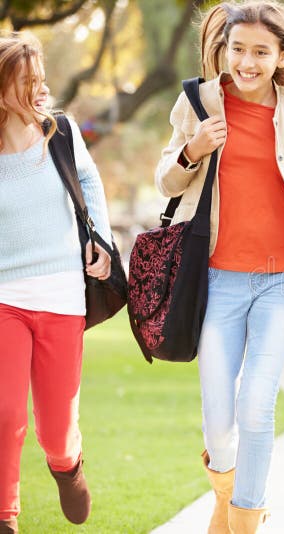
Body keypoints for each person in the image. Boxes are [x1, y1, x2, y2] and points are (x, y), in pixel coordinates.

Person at [154, 2, 284, 532]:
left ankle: (244, 519)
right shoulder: (197, 102)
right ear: (223, 49)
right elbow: (166, 182)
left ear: (281, 56)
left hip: (283, 278)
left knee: (256, 407)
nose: (246, 61)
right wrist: (191, 152)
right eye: (237, 49)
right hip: (218, 277)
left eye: (260, 52)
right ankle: (227, 495)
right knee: (218, 420)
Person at [0, 32, 113, 533]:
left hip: (61, 295)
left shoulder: (61, 132)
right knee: (5, 416)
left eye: (40, 80)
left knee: (55, 430)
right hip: (3, 296)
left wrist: (103, 242)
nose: (38, 92)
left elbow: (90, 183)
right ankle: (5, 516)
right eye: (26, 83)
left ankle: (67, 464)